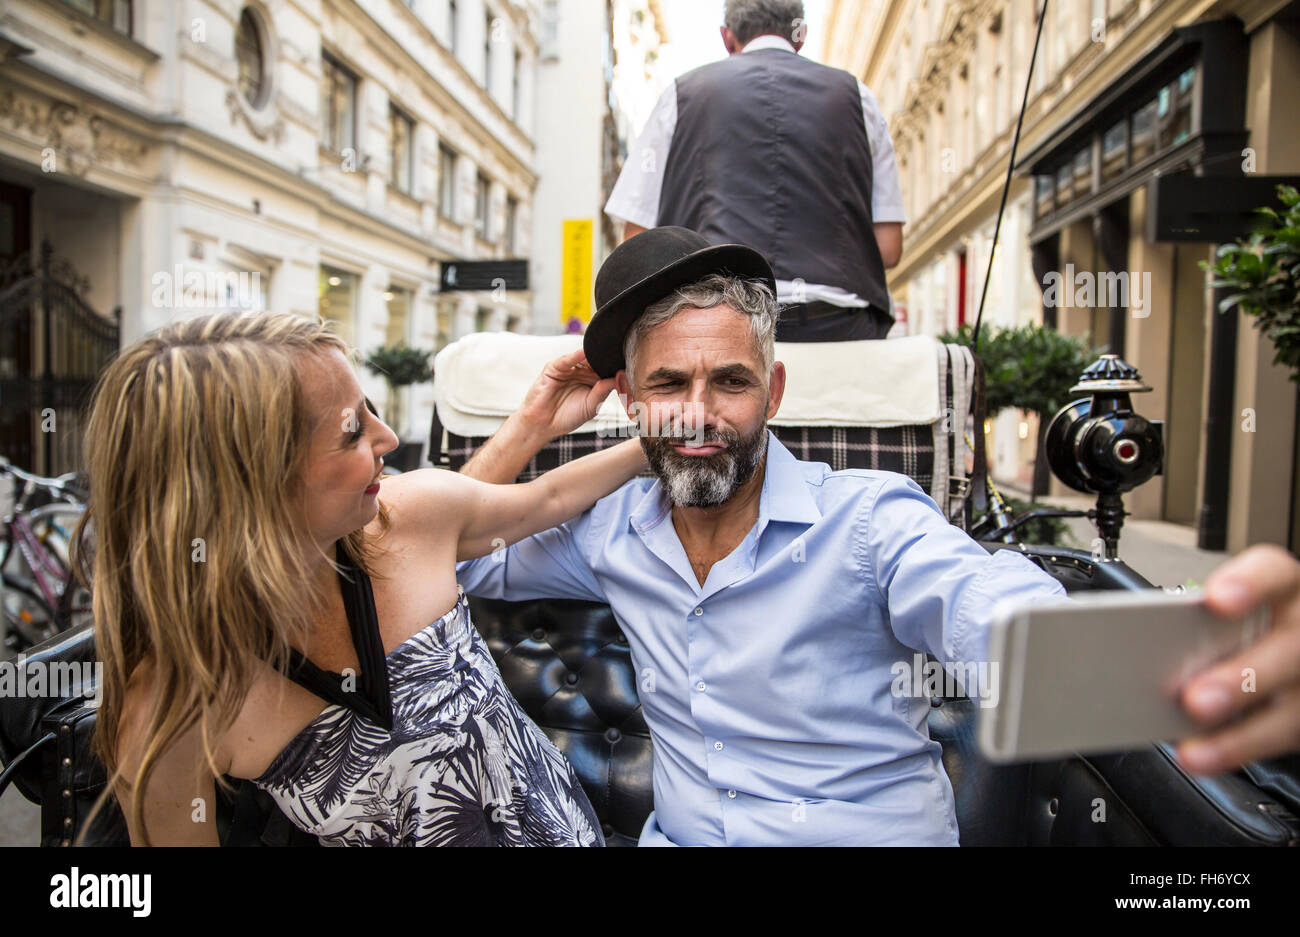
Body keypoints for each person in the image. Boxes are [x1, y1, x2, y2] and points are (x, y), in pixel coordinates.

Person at [458, 225, 1300, 845]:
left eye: (732, 382)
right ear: (632, 401)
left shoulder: (869, 520)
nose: (702, 414)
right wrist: (534, 421)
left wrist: (1204, 662)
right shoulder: (611, 534)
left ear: (775, 390)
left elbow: (997, 612)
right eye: (670, 383)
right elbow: (451, 552)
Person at [80, 311, 647, 846]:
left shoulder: (401, 519)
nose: (389, 440)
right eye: (352, 432)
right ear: (250, 485)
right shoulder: (169, 710)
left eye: (370, 409)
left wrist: (659, 438)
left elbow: (544, 498)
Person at [604, 0, 906, 342]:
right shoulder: (858, 98)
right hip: (838, 328)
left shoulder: (681, 95)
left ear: (726, 36)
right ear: (801, 35)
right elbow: (889, 247)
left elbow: (637, 240)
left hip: (713, 328)